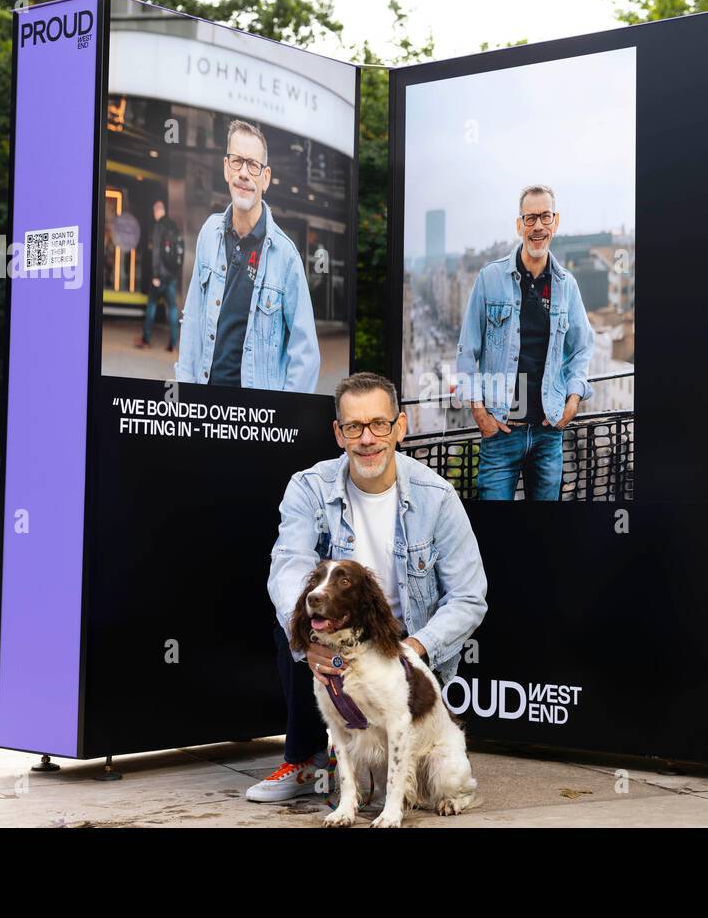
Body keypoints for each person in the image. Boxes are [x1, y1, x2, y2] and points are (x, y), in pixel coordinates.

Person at [249, 372, 488, 802]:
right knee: (292, 616)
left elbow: (469, 597)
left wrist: (415, 647)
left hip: (402, 642)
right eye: (354, 427)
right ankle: (306, 758)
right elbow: (288, 563)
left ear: (400, 427)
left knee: (396, 788)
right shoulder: (309, 487)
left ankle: (369, 761)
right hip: (340, 634)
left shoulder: (437, 497)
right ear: (338, 433)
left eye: (379, 424)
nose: (367, 439)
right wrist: (309, 636)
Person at [453, 185, 595, 501]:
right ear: (519, 226)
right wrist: (480, 413)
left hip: (548, 434)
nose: (538, 226)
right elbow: (466, 351)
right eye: (530, 218)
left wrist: (572, 401)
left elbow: (583, 347)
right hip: (501, 432)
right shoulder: (490, 278)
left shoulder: (566, 285)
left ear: (555, 222)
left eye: (545, 217)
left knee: (543, 537)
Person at [175, 119, 320, 392]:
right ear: (225, 169)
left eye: (253, 165)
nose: (243, 173)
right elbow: (193, 319)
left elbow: (306, 353)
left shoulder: (286, 256)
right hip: (206, 407)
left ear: (265, 178)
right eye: (236, 161)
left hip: (256, 420)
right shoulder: (208, 233)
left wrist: (282, 416)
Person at [136, 200, 183, 352]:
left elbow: (156, 253)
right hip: (172, 275)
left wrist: (155, 275)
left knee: (152, 305)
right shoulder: (173, 225)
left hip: (160, 276)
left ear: (157, 211)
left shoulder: (158, 227)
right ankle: (173, 343)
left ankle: (146, 339)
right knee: (173, 308)